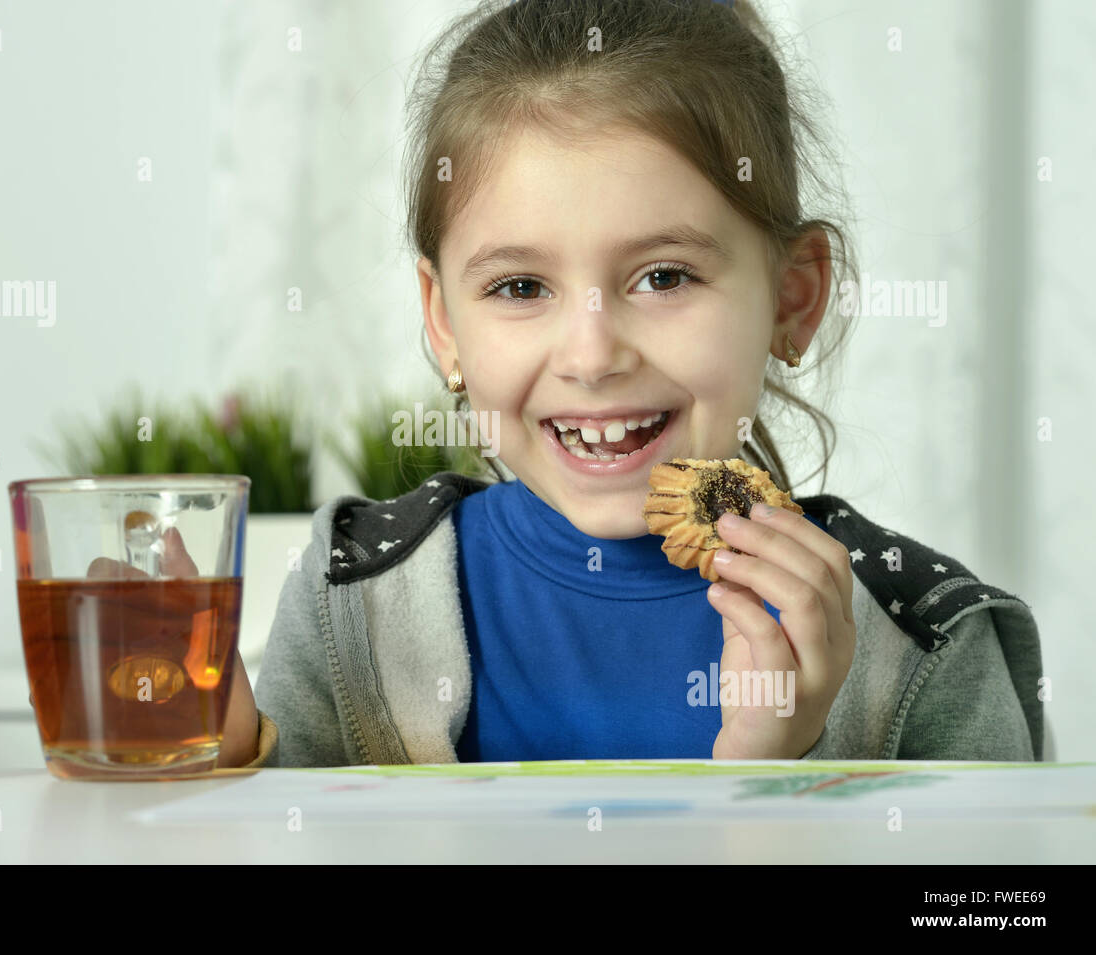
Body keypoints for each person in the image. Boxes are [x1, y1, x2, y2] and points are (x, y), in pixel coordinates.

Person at [229, 0, 1042, 767]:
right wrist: (216, 779)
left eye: (664, 276)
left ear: (793, 298)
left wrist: (774, 778)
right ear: (444, 322)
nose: (591, 355)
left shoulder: (926, 640)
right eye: (520, 287)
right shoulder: (352, 605)